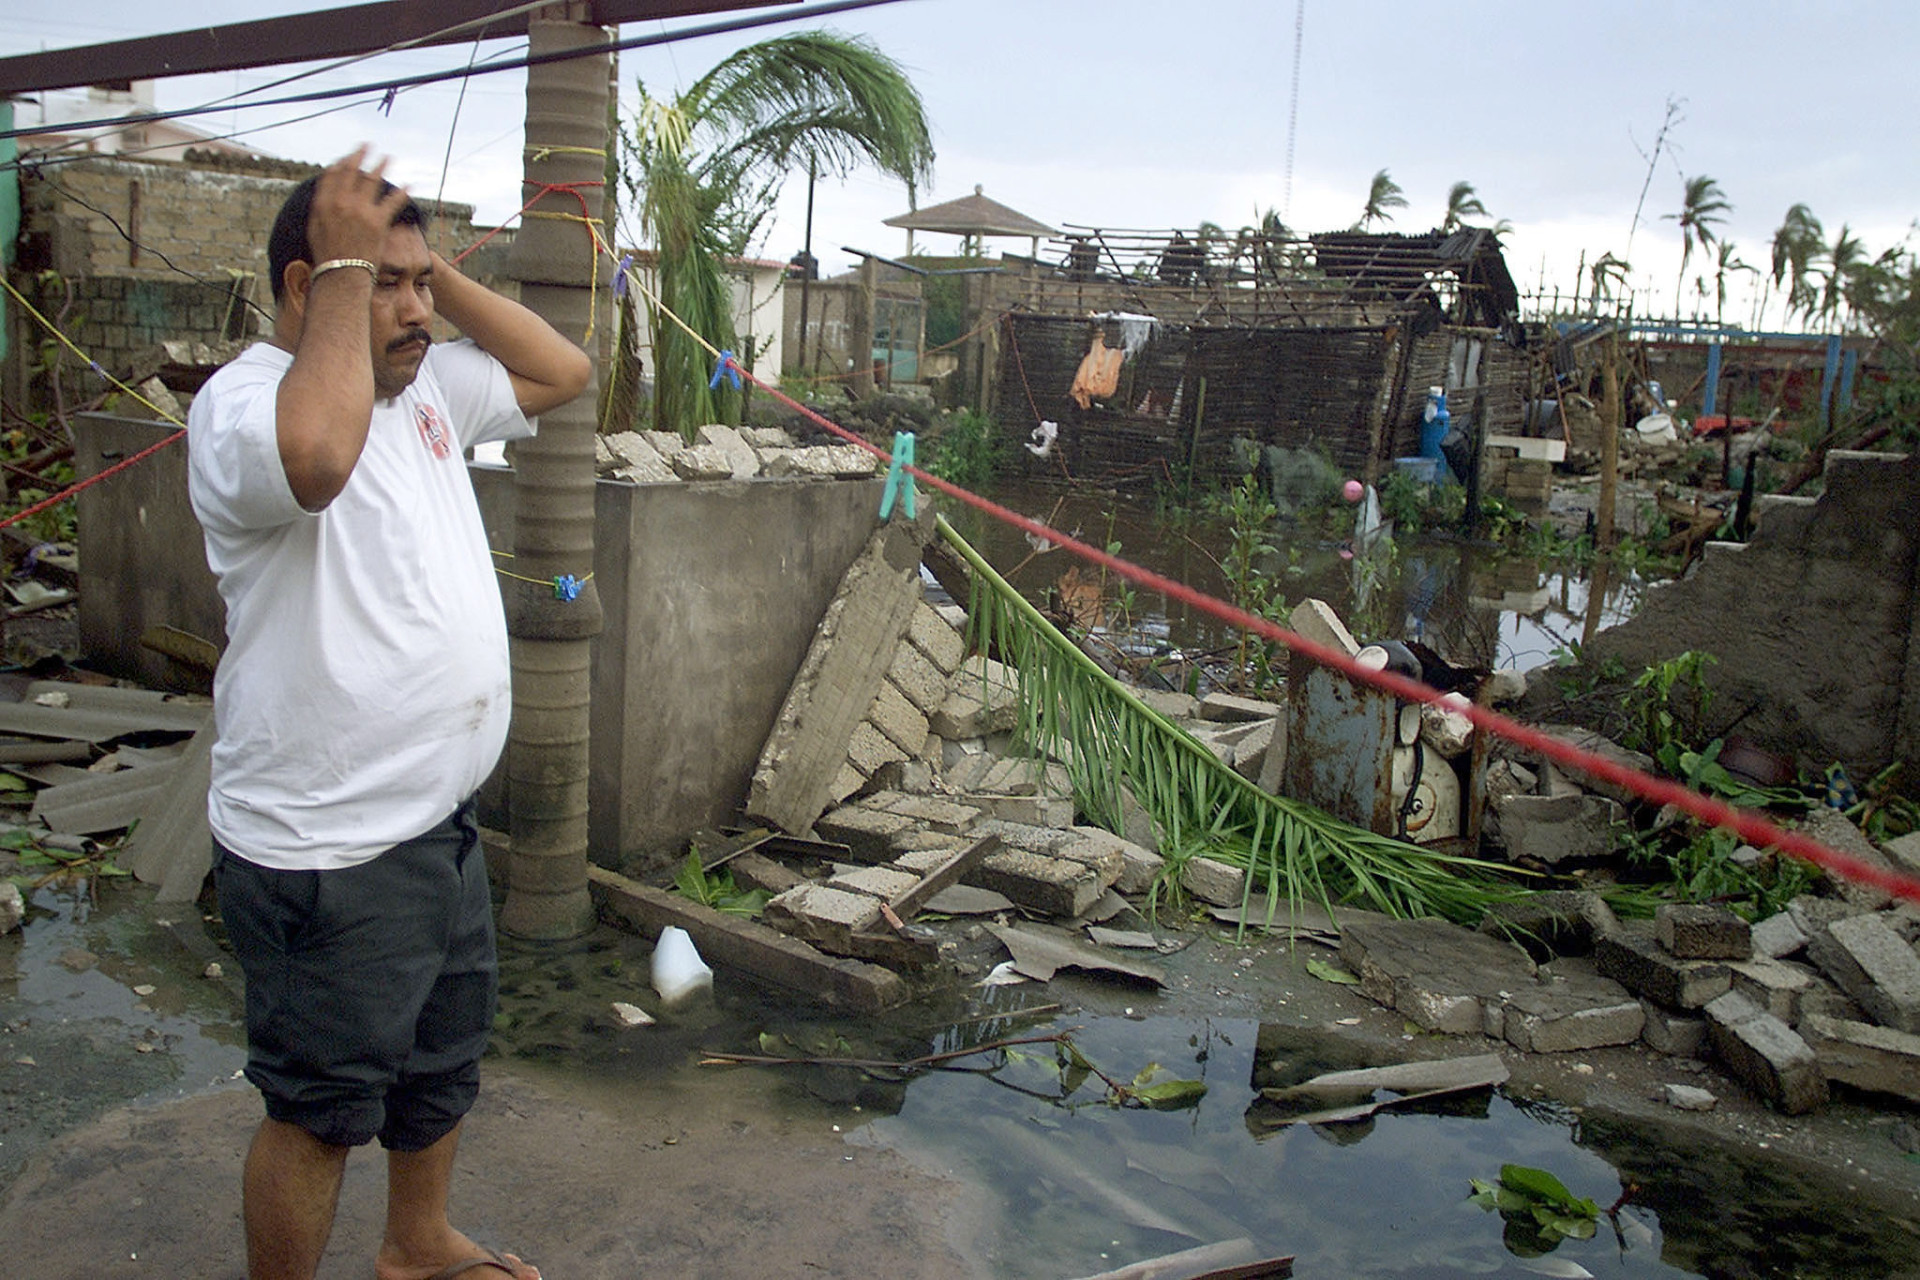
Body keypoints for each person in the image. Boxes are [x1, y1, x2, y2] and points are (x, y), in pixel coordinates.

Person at [186, 147, 591, 1280]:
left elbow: (564, 369)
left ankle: (414, 1244)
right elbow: (314, 460)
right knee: (320, 1109)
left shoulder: (423, 394)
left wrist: (432, 279)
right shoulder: (244, 408)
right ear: (313, 287)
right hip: (330, 843)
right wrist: (359, 276)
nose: (417, 312)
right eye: (388, 285)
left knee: (437, 1065)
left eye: (424, 285)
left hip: (435, 821)